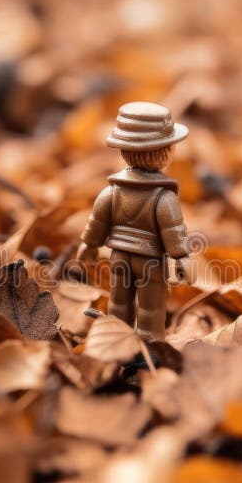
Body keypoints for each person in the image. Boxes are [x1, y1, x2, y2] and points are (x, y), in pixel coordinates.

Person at [77, 102, 189, 342]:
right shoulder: (164, 198)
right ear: (165, 151)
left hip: (118, 256)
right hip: (150, 261)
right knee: (151, 308)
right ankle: (149, 344)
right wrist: (181, 257)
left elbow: (97, 220)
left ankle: (116, 338)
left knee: (119, 302)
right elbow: (173, 229)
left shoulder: (112, 192)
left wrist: (89, 244)